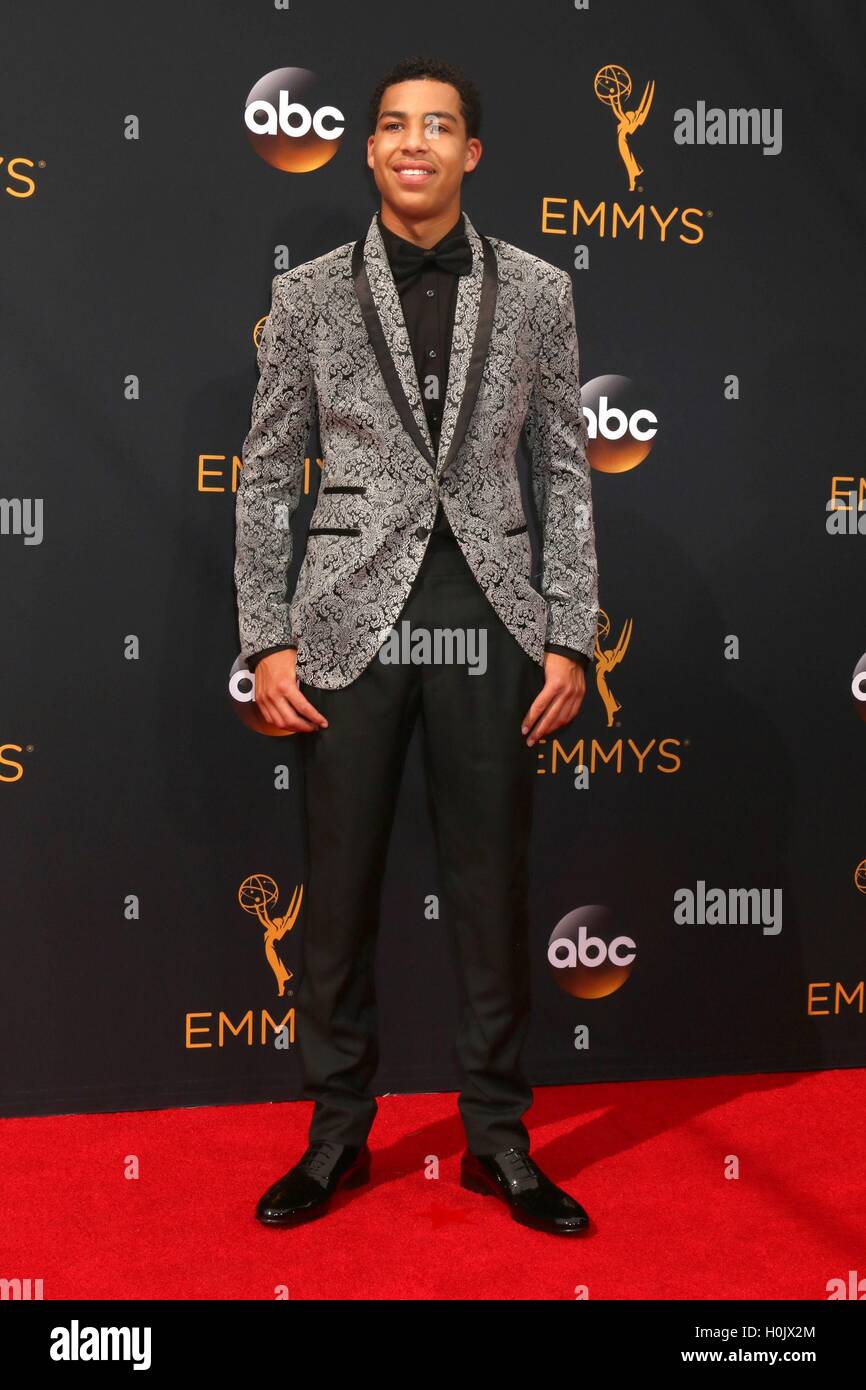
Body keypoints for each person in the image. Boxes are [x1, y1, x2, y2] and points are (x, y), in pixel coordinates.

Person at [234, 56, 599, 1236]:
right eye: (394, 125)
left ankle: (497, 1139)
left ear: (468, 154)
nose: (413, 143)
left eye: (437, 126)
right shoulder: (307, 297)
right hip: (346, 621)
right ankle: (336, 1136)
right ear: (369, 148)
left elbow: (560, 467)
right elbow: (260, 476)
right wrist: (268, 635)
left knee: (491, 895)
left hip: (490, 614)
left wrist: (570, 635)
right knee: (333, 902)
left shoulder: (539, 289)